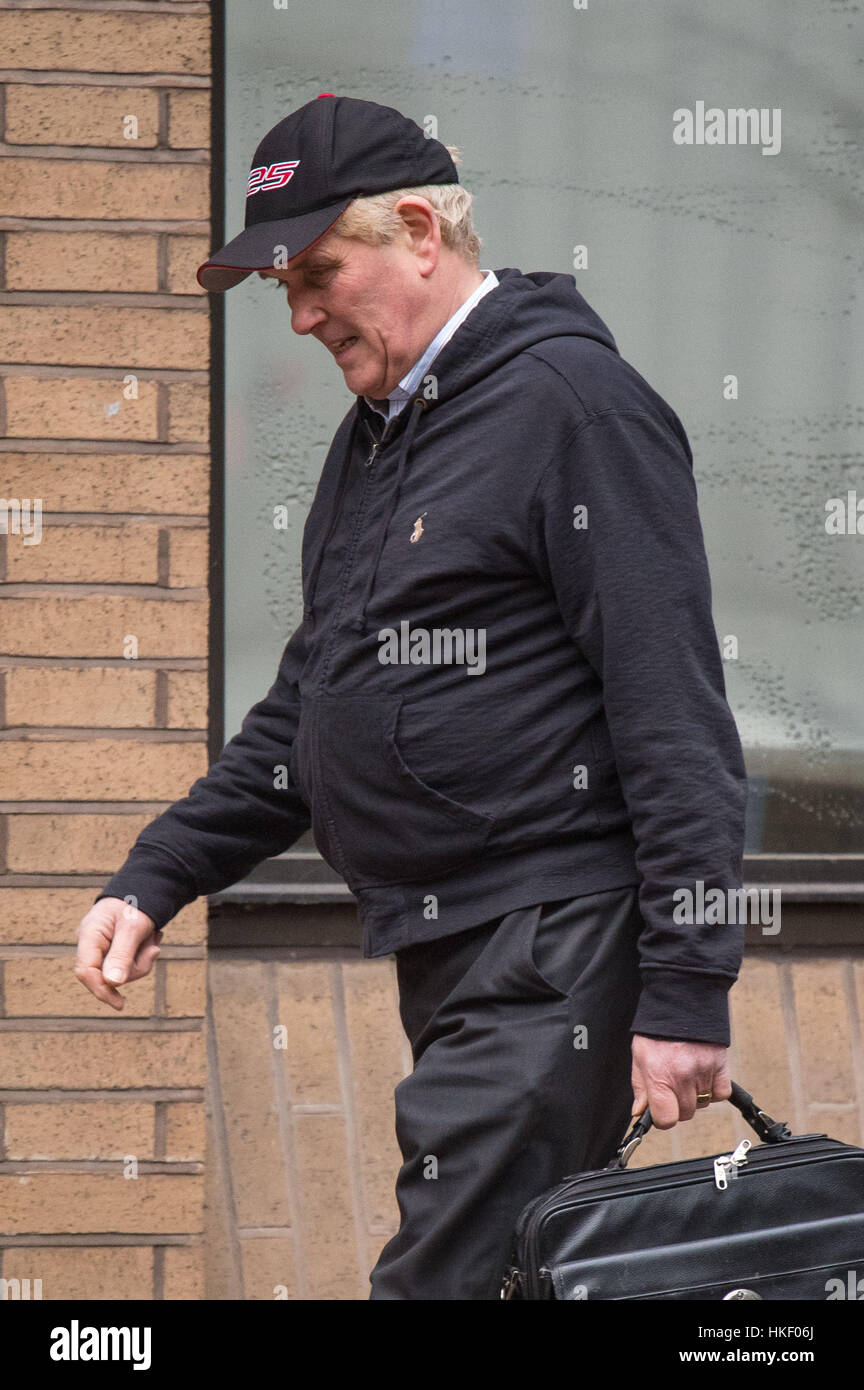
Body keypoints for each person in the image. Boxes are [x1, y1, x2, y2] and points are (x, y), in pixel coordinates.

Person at [75, 95, 749, 1300]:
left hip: (554, 948)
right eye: (283, 282)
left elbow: (675, 710)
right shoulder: (379, 437)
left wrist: (689, 982)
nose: (299, 311)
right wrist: (161, 868)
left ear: (423, 232)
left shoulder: (571, 407)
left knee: (441, 1280)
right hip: (455, 950)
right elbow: (310, 706)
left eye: (321, 268)